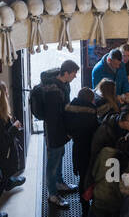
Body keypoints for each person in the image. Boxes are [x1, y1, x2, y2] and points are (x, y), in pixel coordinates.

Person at [39, 58, 79, 207]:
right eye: (74, 74)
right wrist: (65, 133)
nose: (75, 77)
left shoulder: (62, 84)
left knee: (59, 156)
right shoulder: (53, 93)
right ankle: (53, 195)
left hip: (59, 131)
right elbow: (55, 118)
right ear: (66, 73)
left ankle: (59, 182)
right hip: (54, 132)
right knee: (52, 163)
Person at [0, 80, 26, 198]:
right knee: (0, 179)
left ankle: (9, 182)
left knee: (3, 175)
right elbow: (2, 141)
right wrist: (14, 128)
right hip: (2, 156)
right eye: (6, 92)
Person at [63, 86, 99, 195]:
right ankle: (88, 199)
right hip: (89, 147)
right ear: (90, 99)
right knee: (88, 175)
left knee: (82, 176)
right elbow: (95, 129)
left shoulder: (70, 109)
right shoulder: (91, 112)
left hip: (77, 146)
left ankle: (83, 202)